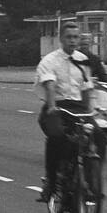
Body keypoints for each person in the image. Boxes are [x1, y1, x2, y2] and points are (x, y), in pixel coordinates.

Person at [35, 21, 91, 202]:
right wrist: (52, 107)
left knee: (96, 134)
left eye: (76, 37)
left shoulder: (83, 60)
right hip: (56, 107)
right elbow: (50, 86)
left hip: (78, 108)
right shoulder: (50, 61)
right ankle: (51, 182)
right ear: (61, 39)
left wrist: (91, 111)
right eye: (69, 37)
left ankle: (90, 181)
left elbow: (87, 88)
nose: (73, 41)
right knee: (57, 137)